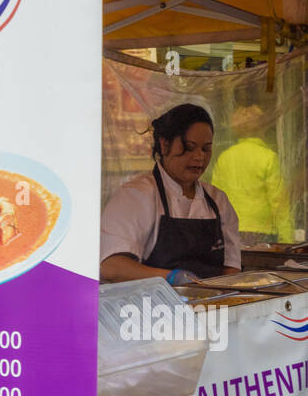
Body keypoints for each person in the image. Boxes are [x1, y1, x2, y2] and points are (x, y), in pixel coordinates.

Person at [100, 104, 241, 285]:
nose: (199, 157)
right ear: (164, 144)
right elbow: (112, 266)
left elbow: (231, 268)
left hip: (209, 307)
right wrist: (170, 278)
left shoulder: (217, 201)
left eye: (206, 149)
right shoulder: (136, 196)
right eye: (189, 147)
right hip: (146, 308)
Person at [211, 104, 288, 246]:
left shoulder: (225, 158)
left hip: (229, 228)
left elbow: (215, 197)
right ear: (263, 128)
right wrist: (287, 238)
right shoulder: (268, 157)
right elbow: (279, 202)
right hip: (261, 230)